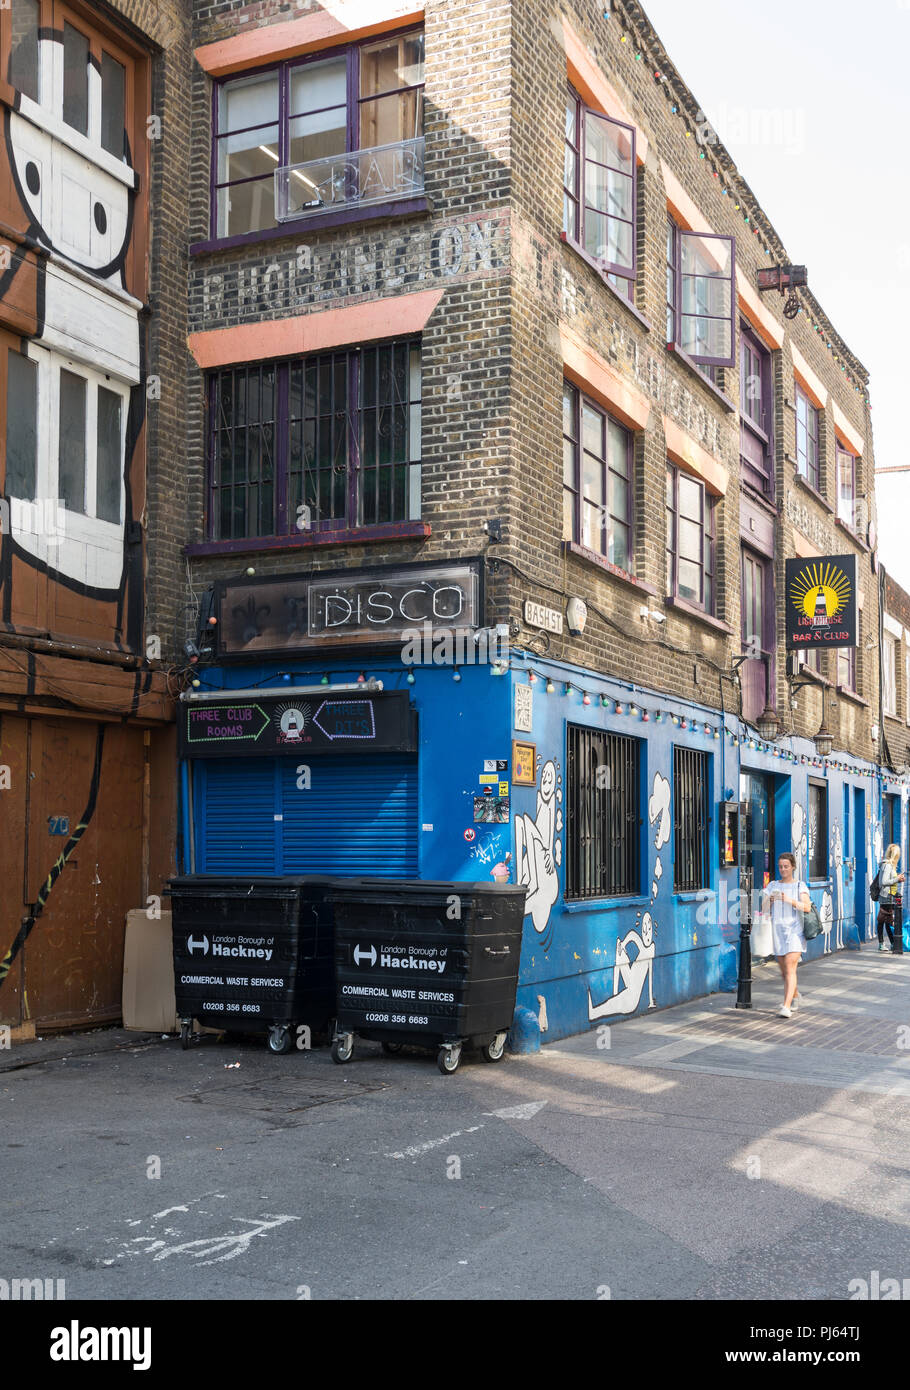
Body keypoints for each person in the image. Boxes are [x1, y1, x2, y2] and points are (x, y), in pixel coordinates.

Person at [761, 852, 811, 1018]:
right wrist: (771, 900)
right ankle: (795, 996)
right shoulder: (773, 885)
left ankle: (786, 1006)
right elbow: (763, 909)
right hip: (777, 932)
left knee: (790, 967)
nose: (783, 869)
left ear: (793, 867)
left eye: (786, 866)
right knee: (784, 972)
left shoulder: (800, 886)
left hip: (795, 931)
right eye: (781, 866)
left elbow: (807, 907)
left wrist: (787, 899)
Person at [877, 843, 905, 952]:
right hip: (886, 896)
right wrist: (897, 879)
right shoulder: (887, 865)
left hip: (890, 896)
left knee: (887, 920)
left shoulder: (890, 865)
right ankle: (886, 943)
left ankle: (891, 943)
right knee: (883, 920)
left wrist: (898, 878)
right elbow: (883, 882)